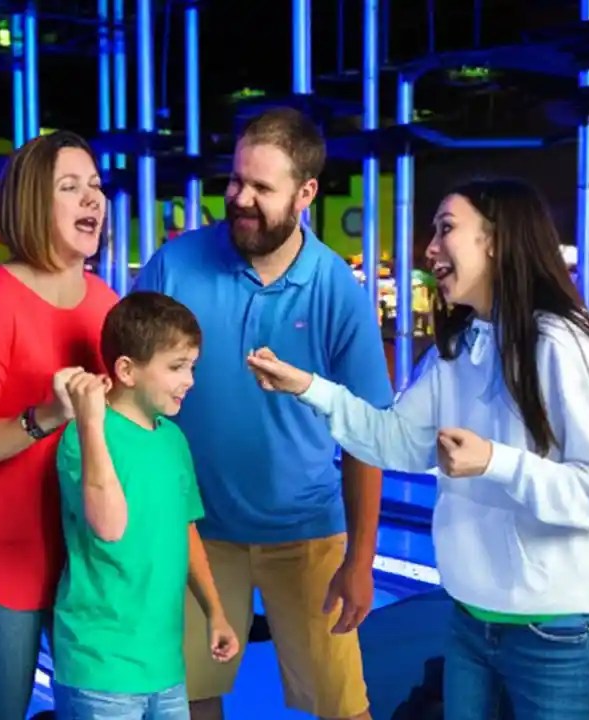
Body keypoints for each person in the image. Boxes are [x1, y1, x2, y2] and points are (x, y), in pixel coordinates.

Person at [246, 178, 589, 720]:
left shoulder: (563, 346)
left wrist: (496, 461)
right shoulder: (457, 349)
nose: (429, 248)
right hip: (470, 622)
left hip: (554, 635)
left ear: (497, 240)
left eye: (446, 229)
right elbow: (394, 441)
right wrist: (310, 388)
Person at [132, 107, 393, 720]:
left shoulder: (336, 290)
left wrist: (360, 562)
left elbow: (366, 435)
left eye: (261, 188)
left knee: (342, 705)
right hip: (196, 528)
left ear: (305, 193)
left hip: (305, 534)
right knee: (190, 697)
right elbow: (127, 385)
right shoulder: (176, 266)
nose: (241, 199)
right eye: (235, 181)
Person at [0, 131, 118, 720]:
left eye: (94, 185)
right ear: (31, 206)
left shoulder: (105, 302)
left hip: (81, 549)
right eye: (70, 187)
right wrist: (47, 414)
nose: (91, 198)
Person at [51, 291, 241, 720]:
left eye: (192, 366)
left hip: (164, 665)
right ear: (126, 371)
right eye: (177, 367)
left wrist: (215, 611)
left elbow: (185, 529)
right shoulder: (84, 438)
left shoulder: (172, 440)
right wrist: (91, 423)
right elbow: (109, 526)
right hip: (100, 666)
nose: (190, 380)